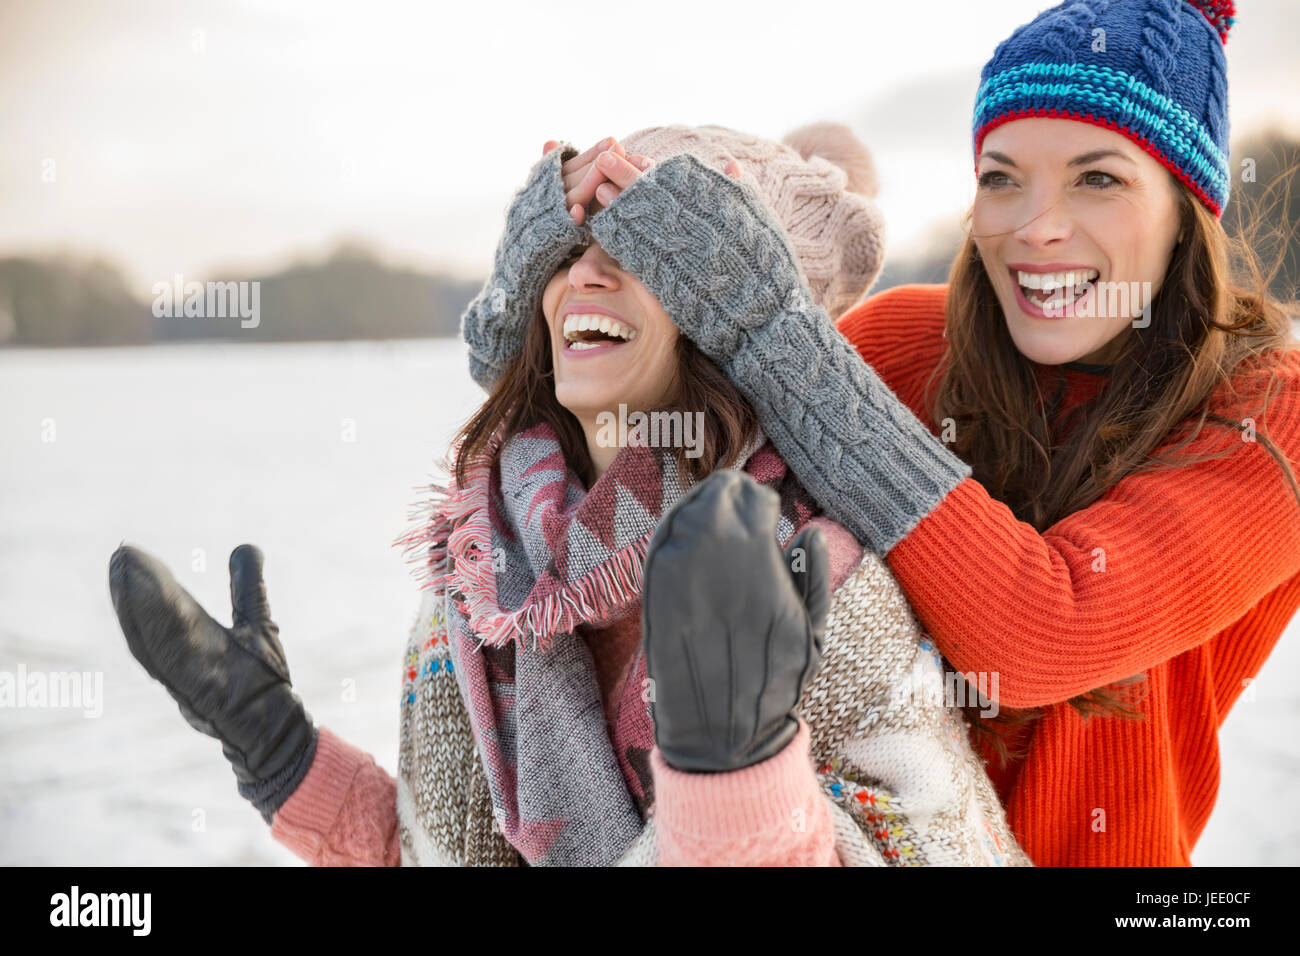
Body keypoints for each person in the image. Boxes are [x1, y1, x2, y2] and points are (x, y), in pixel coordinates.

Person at [108, 122, 1031, 867]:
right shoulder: (481, 581)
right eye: (574, 249)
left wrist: (734, 776)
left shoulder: (809, 575)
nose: (588, 275)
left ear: (725, 309)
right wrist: (282, 760)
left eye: (642, 248)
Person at [514, 0, 1299, 866]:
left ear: (1191, 207)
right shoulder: (899, 341)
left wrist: (770, 325)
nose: (1034, 226)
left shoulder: (1269, 416)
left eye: (1098, 178)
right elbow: (647, 429)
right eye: (1001, 177)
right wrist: (553, 257)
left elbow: (1039, 631)